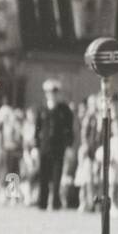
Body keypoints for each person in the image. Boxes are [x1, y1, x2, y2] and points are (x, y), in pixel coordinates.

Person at [34, 79, 74, 210]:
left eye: (54, 92)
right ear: (46, 93)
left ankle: (55, 203)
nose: (52, 95)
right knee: (43, 176)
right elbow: (37, 129)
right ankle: (42, 202)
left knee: (57, 176)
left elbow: (69, 130)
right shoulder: (41, 109)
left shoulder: (64, 110)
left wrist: (69, 146)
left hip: (58, 147)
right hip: (44, 147)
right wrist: (36, 147)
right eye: (49, 92)